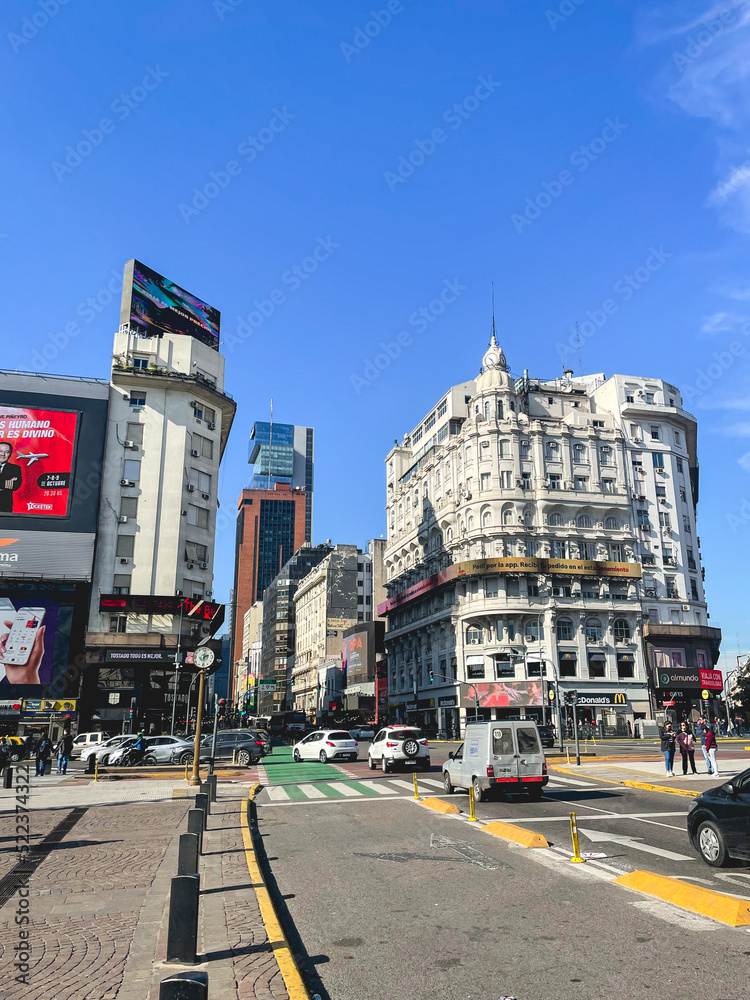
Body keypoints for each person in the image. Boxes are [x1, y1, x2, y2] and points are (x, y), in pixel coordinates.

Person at [0, 441, 23, 513]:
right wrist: (5, 483)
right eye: (0, 451)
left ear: (10, 454)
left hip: (5, 507)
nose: (3, 454)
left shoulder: (15, 468)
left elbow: (16, 486)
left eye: (6, 452)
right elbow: (8, 485)